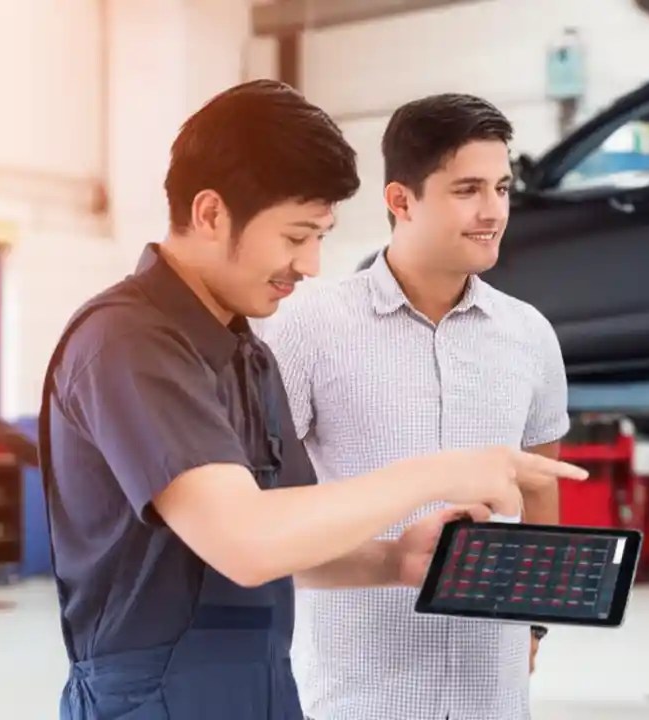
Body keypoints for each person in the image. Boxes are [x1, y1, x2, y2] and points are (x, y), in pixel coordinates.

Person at [37, 80, 589, 720]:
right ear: (212, 214)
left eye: (321, 236)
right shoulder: (127, 344)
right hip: (157, 697)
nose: (311, 265)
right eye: (297, 236)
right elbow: (248, 542)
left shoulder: (243, 351)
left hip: (262, 686)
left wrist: (393, 559)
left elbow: (286, 528)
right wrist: (439, 472)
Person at [262, 93, 573, 720]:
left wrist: (534, 629)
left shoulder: (530, 334)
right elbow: (266, 515)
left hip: (493, 694)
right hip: (358, 694)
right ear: (400, 200)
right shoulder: (307, 326)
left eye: (502, 188)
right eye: (467, 190)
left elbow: (540, 490)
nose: (493, 212)